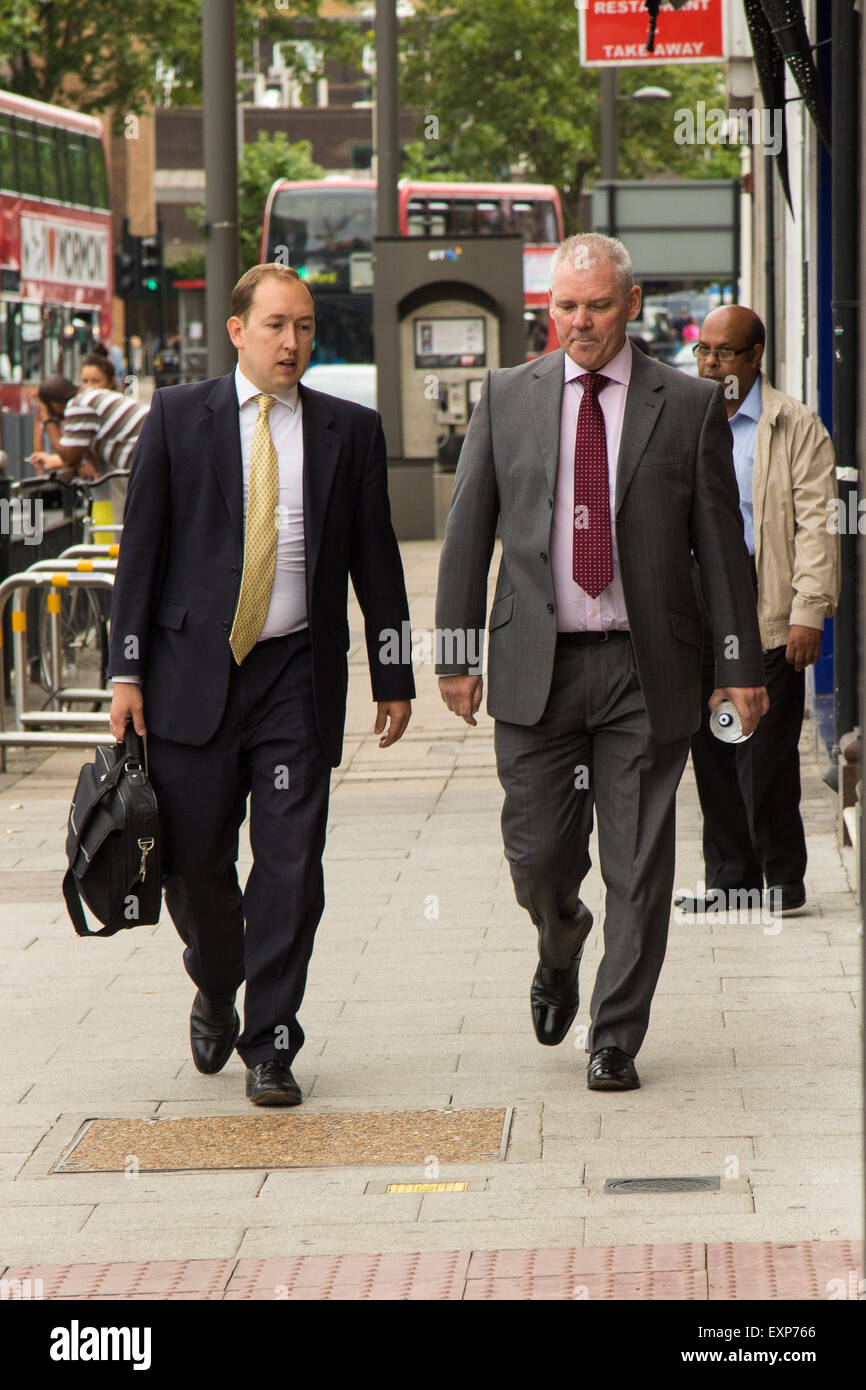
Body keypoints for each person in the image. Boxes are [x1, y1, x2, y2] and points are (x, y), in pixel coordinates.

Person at [435, 233, 767, 1092]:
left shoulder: (687, 404)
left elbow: (722, 551)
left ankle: (614, 1034)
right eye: (566, 307)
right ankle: (559, 941)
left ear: (630, 302)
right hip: (532, 666)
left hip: (643, 665)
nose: (581, 323)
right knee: (538, 855)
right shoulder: (509, 395)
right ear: (552, 308)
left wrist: (741, 668)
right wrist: (454, 652)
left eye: (597, 306)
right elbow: (469, 530)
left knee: (640, 862)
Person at [107, 262, 414, 1107]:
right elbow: (141, 552)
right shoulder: (176, 418)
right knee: (194, 861)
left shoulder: (349, 430)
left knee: (290, 865)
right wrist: (125, 670)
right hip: (188, 681)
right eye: (278, 325)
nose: (294, 342)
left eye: (306, 326)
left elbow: (377, 564)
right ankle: (215, 977)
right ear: (237, 330)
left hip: (292, 675)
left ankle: (271, 1041)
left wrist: (394, 672)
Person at [674, 306, 840, 916]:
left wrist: (809, 610)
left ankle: (783, 877)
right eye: (703, 351)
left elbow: (819, 524)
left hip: (766, 597)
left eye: (724, 352)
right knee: (712, 744)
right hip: (698, 602)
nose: (711, 363)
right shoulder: (684, 416)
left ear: (755, 356)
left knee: (764, 747)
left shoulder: (793, 426)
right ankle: (731, 878)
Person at [31, 361, 147, 479]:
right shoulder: (88, 398)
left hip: (147, 457)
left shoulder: (79, 405)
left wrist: (46, 417)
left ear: (55, 405)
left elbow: (69, 457)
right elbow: (81, 449)